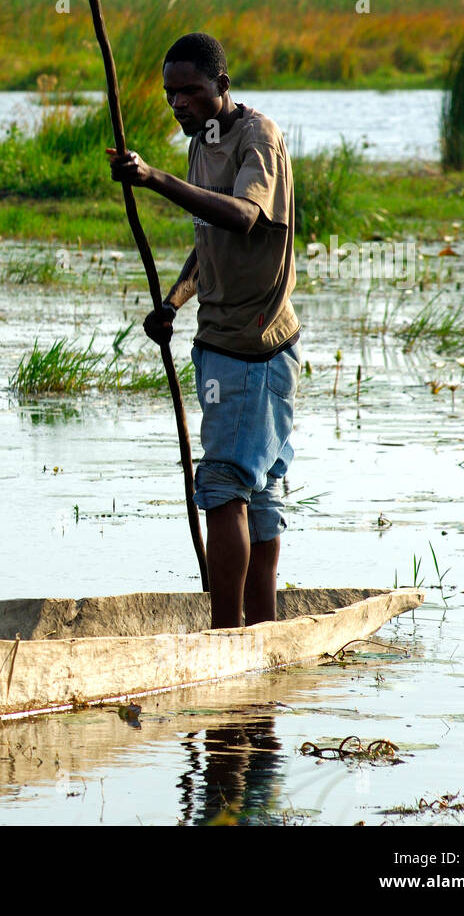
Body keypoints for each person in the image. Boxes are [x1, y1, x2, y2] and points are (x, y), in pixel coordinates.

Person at [106, 32, 300, 630]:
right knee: (256, 494)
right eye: (170, 94)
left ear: (222, 84)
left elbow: (243, 217)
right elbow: (207, 244)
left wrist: (155, 179)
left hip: (253, 347)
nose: (178, 103)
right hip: (221, 341)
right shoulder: (203, 143)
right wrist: (173, 302)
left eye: (189, 90)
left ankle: (225, 635)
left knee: (224, 489)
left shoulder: (256, 137)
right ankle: (262, 632)